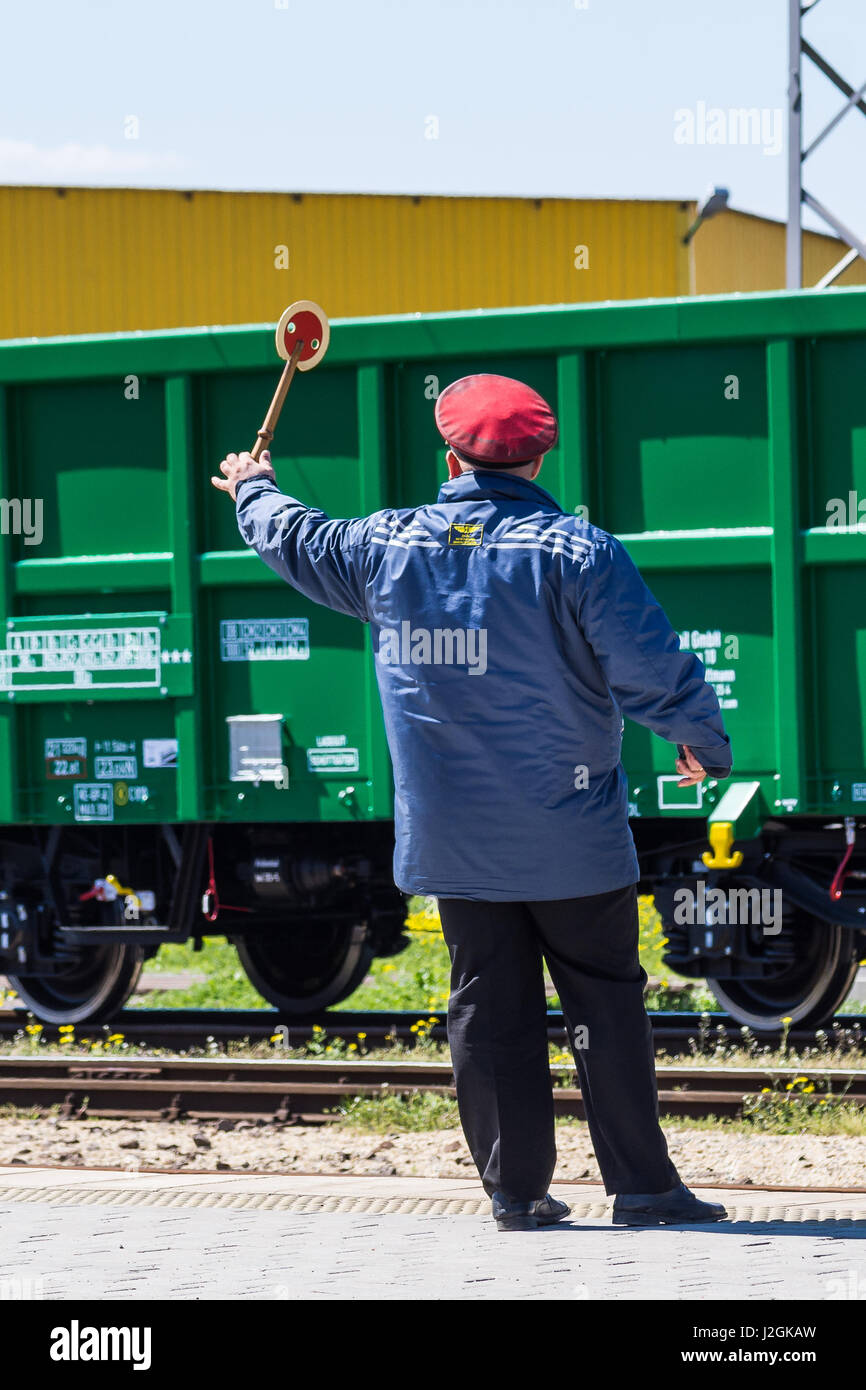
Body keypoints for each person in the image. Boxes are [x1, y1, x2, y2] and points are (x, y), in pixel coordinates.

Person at [212, 372, 733, 1233]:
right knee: (606, 1000)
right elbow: (648, 660)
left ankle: (517, 1195)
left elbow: (296, 538)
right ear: (538, 455)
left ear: (447, 454)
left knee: (487, 1006)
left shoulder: (388, 549)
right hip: (573, 831)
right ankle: (644, 1190)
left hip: (454, 837)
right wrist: (699, 740)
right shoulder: (578, 553)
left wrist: (253, 487)